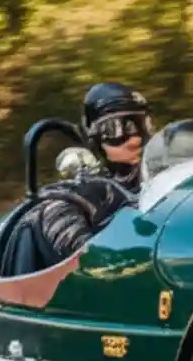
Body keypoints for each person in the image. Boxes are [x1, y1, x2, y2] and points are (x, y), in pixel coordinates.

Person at [30, 83, 153, 267]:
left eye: (142, 125)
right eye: (115, 129)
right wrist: (100, 259)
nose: (135, 139)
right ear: (94, 139)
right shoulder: (81, 194)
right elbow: (91, 264)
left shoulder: (164, 177)